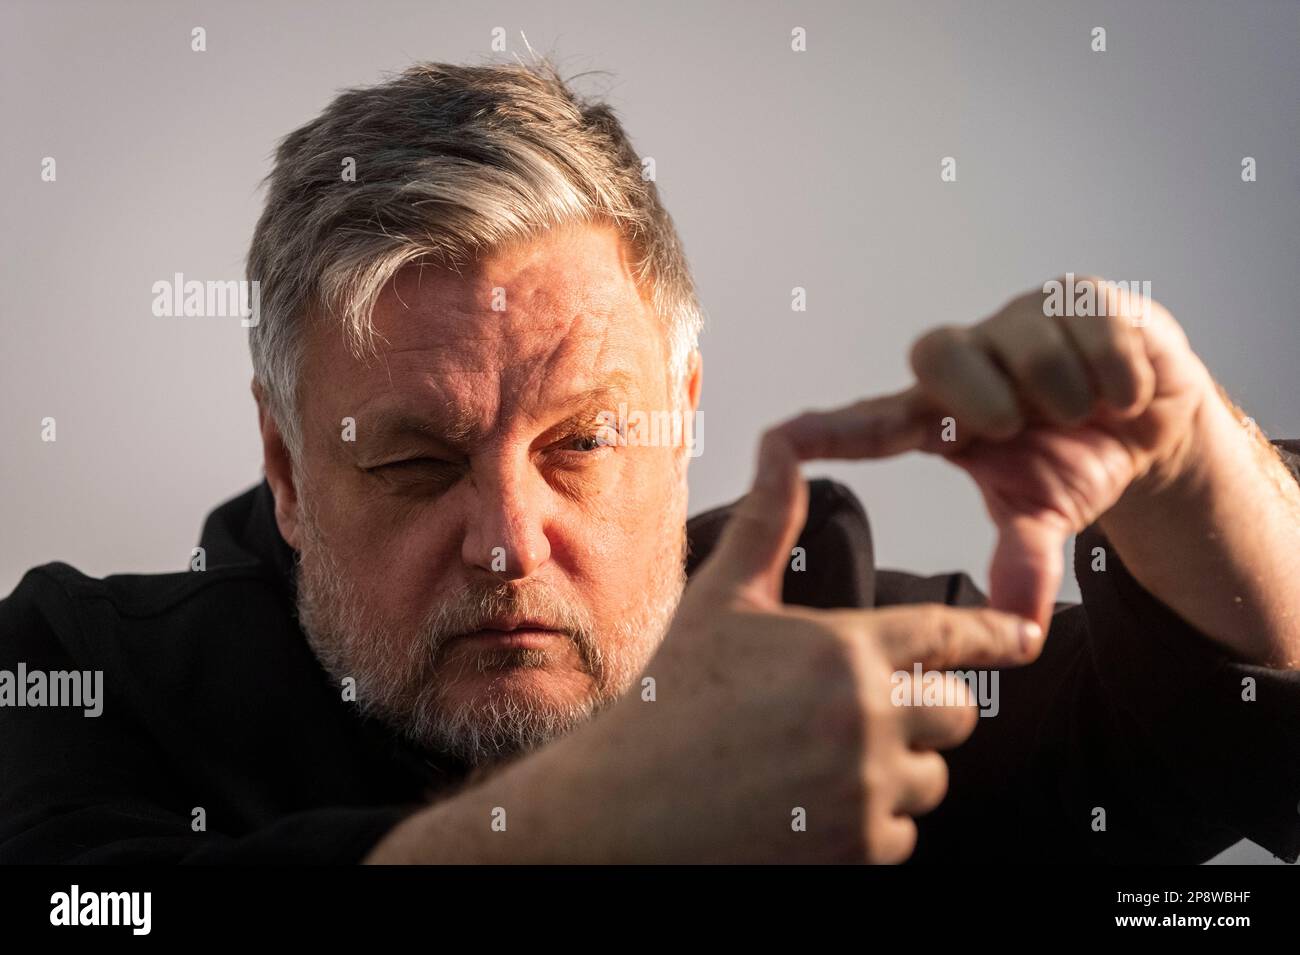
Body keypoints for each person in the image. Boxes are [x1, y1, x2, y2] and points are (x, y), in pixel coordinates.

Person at [2, 60, 1297, 865]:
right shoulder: (80, 671)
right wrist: (597, 830)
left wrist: (1187, 460)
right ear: (286, 470)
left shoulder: (833, 654)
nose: (509, 539)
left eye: (583, 443)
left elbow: (1229, 751)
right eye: (412, 464)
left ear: (681, 418)